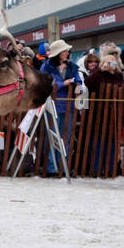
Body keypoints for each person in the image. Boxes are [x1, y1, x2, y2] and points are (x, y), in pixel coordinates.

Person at [40, 38, 81, 175]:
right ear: (58, 53)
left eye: (67, 51)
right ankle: (52, 168)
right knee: (53, 137)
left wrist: (77, 84)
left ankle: (63, 166)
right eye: (64, 51)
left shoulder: (73, 67)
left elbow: (79, 80)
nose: (67, 53)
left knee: (66, 137)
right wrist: (63, 84)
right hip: (52, 107)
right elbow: (46, 83)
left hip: (68, 107)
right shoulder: (46, 67)